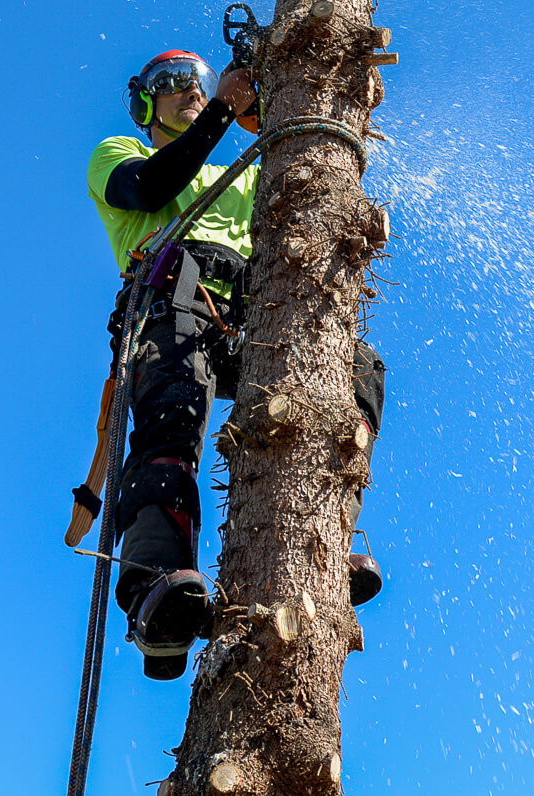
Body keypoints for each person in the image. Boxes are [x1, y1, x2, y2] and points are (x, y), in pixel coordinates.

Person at [87, 48, 386, 680]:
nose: (186, 90)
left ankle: (326, 536)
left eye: (195, 81)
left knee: (353, 363)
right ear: (145, 104)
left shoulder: (250, 176)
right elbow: (151, 187)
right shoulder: (121, 155)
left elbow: (301, 187)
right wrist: (224, 105)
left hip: (248, 314)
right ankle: (155, 588)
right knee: (175, 412)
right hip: (170, 309)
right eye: (168, 84)